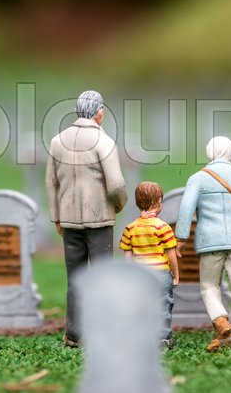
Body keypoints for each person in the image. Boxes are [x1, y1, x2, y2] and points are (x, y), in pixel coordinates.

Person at [46, 90, 127, 347]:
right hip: (99, 218)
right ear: (99, 112)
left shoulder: (58, 141)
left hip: (69, 219)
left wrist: (56, 216)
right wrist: (120, 203)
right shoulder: (104, 142)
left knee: (75, 277)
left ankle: (73, 334)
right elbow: (115, 184)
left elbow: (51, 183)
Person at [175, 136, 231, 352]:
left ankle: (220, 321)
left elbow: (186, 210)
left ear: (209, 153)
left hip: (209, 241)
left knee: (209, 286)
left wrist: (181, 238)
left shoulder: (197, 179)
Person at [119, 181, 180, 349]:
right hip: (161, 271)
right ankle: (163, 337)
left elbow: (127, 255)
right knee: (163, 304)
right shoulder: (163, 227)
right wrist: (176, 273)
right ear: (159, 201)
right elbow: (171, 253)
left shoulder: (130, 228)